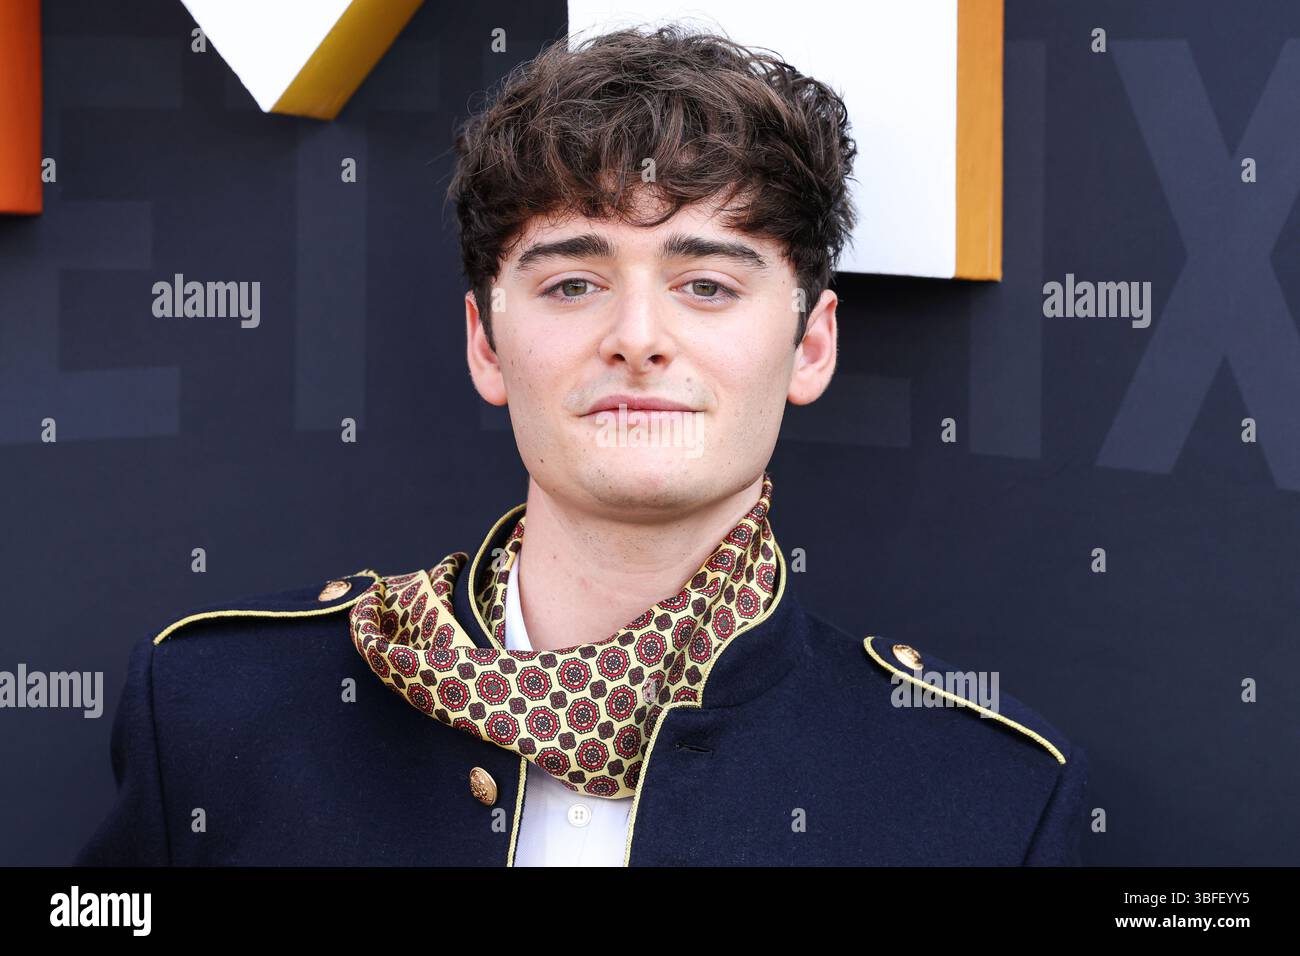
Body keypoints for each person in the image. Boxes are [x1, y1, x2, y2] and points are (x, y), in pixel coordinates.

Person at [75, 23, 1088, 867]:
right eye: (572, 282)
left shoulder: (987, 803)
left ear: (809, 343)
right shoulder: (219, 718)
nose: (636, 335)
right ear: (486, 343)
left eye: (707, 285)